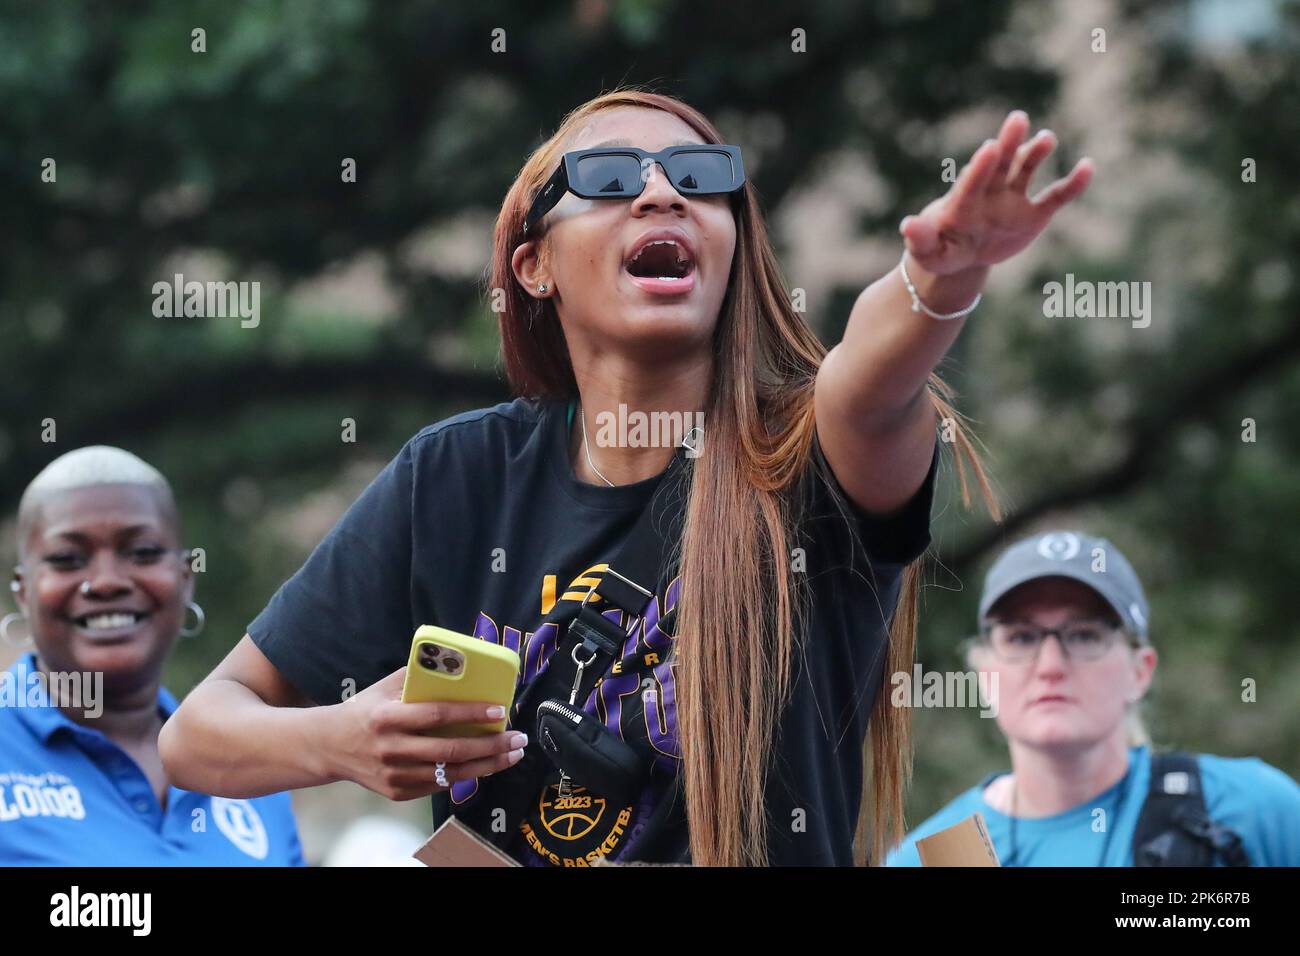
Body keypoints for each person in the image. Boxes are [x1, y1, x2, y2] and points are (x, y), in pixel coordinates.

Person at [161, 87, 1092, 866]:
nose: (661, 194)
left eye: (702, 178)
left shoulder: (810, 458)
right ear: (533, 266)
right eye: (608, 178)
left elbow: (871, 379)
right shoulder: (454, 479)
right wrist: (341, 741)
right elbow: (199, 735)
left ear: (735, 239)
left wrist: (941, 282)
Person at [887, 530, 1300, 866]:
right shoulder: (936, 860)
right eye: (1021, 637)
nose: (1050, 664)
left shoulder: (1248, 810)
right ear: (984, 676)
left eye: (1084, 635)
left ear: (1140, 671)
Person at [0, 446, 305, 865]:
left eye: (142, 552)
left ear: (184, 581)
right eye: (68, 559)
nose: (106, 582)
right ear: (23, 591)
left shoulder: (251, 763)